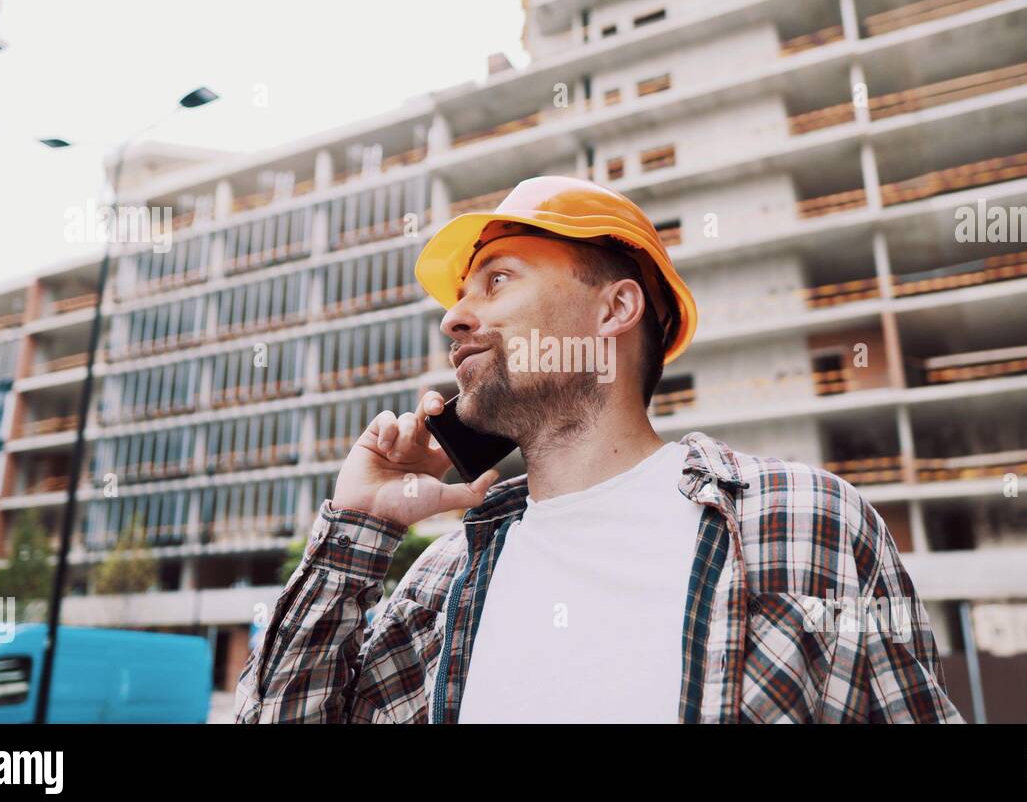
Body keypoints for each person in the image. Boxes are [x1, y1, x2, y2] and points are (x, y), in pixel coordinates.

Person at [235, 175, 963, 723]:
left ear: (614, 309)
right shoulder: (442, 580)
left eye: (497, 280)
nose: (455, 318)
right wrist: (357, 527)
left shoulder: (806, 525)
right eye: (461, 295)